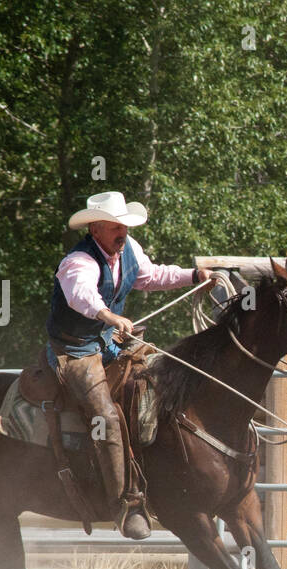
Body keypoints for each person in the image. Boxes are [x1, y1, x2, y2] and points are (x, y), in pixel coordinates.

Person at [47, 191, 213, 539]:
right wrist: (110, 316)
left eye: (123, 226)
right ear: (95, 229)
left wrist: (193, 276)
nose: (121, 233)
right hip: (75, 352)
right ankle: (125, 503)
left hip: (109, 343)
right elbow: (82, 297)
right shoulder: (78, 262)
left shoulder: (128, 250)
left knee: (159, 381)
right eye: (113, 227)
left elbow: (150, 277)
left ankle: (163, 475)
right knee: (105, 417)